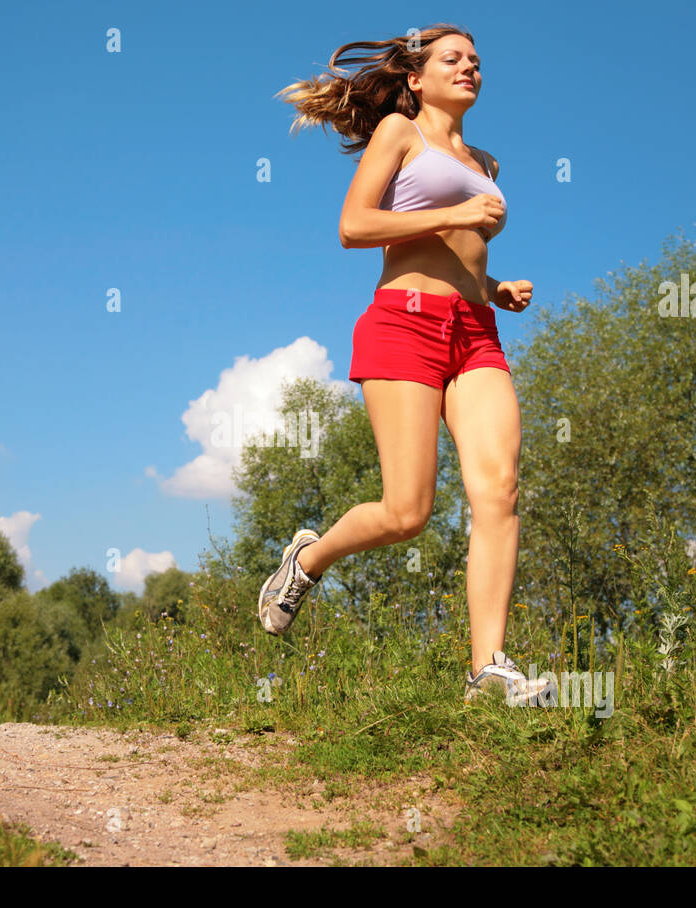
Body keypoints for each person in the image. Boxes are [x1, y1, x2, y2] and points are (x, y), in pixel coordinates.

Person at [259, 24, 549, 705]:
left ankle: (488, 671)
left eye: (477, 61)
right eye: (453, 59)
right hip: (404, 324)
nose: (470, 68)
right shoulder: (400, 132)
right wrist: (457, 210)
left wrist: (493, 288)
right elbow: (354, 227)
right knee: (407, 512)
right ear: (417, 78)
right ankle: (307, 559)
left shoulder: (486, 161)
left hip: (475, 331)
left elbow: (457, 253)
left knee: (499, 489)